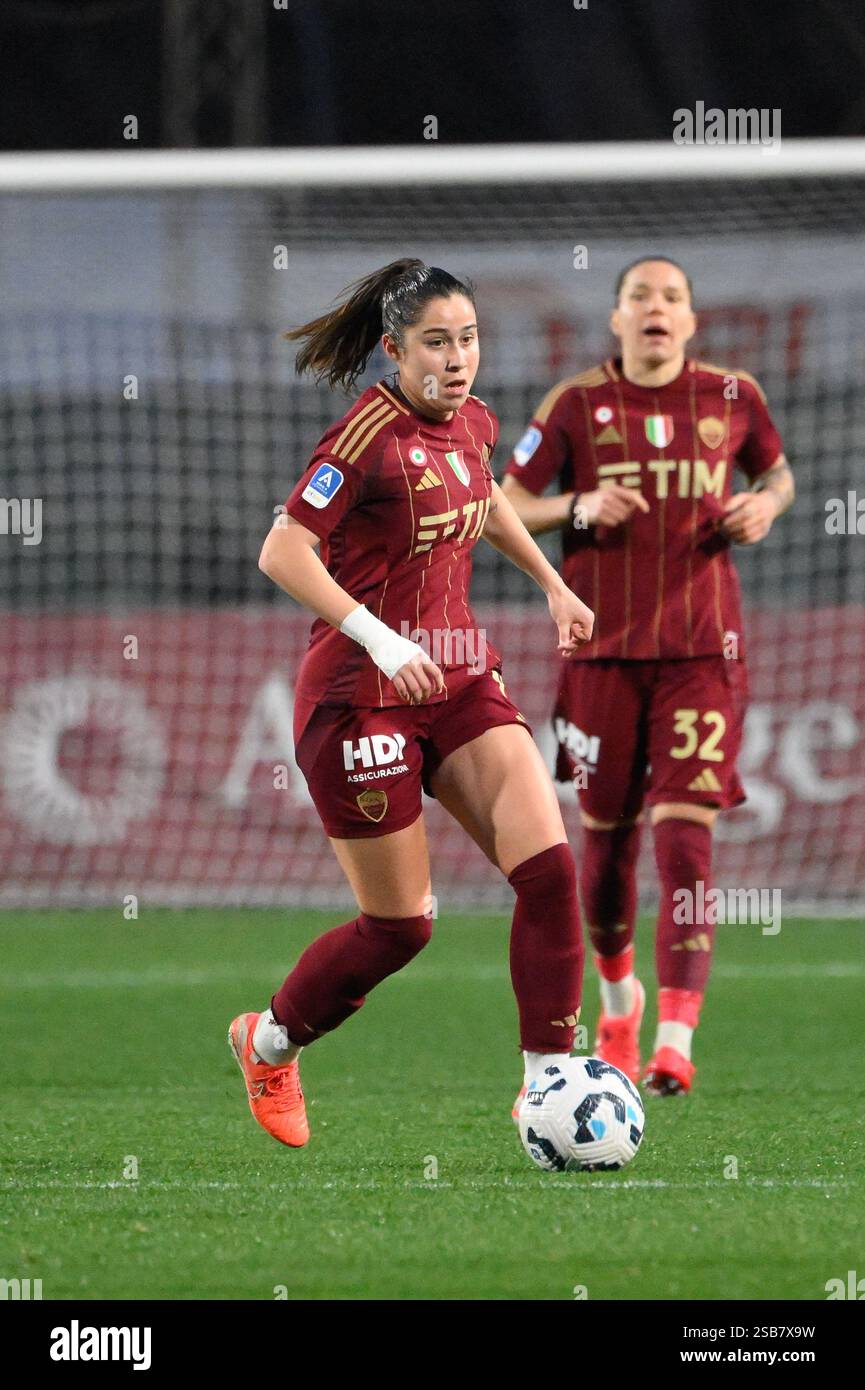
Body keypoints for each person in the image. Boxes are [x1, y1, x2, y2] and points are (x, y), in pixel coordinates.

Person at [228, 258, 594, 1146]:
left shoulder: (471, 421)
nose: (457, 357)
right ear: (393, 350)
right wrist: (383, 640)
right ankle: (269, 1041)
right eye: (436, 341)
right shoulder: (363, 439)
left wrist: (551, 583)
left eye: (467, 338)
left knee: (548, 875)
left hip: (460, 679)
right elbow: (283, 552)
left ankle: (546, 1082)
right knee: (400, 928)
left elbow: (488, 504)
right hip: (362, 700)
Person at [501, 257, 794, 1096]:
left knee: (685, 846)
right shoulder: (573, 405)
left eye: (671, 298)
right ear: (617, 318)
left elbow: (775, 472)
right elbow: (504, 503)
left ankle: (674, 1039)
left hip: (703, 655)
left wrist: (766, 505)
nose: (656, 308)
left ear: (691, 322)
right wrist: (578, 507)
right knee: (604, 857)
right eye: (641, 296)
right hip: (598, 654)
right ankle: (617, 999)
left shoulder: (733, 398)